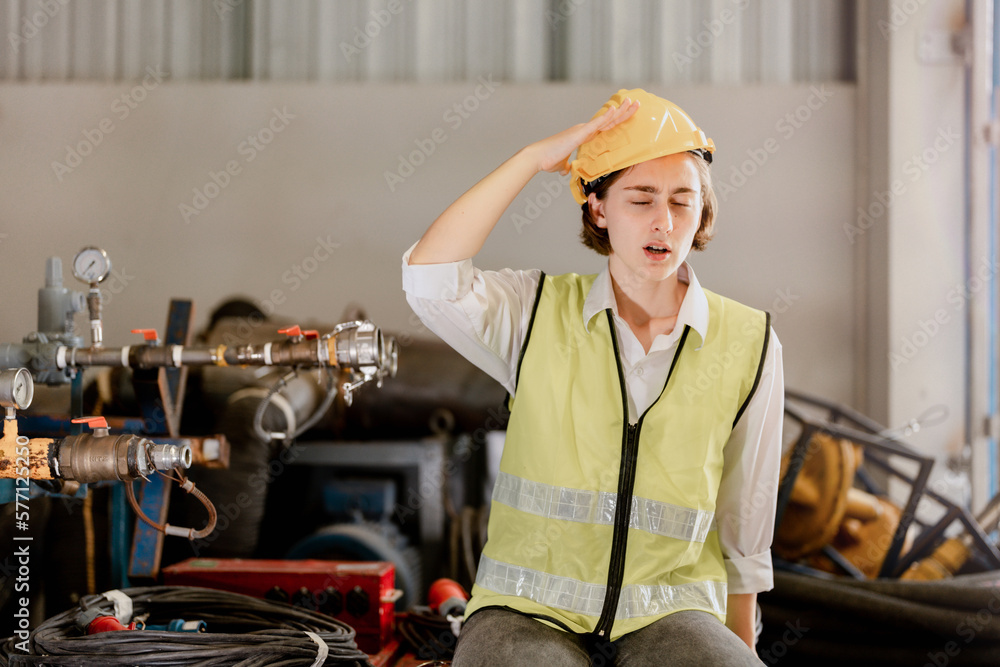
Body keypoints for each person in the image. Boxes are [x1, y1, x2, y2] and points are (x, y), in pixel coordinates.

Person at [402, 88, 782, 666]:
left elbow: (743, 523)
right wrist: (531, 160)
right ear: (598, 207)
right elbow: (431, 277)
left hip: (670, 614)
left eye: (683, 200)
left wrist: (739, 652)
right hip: (524, 613)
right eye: (641, 199)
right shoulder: (534, 313)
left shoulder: (748, 340)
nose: (664, 221)